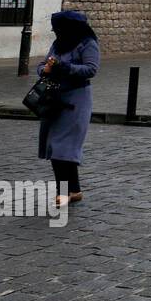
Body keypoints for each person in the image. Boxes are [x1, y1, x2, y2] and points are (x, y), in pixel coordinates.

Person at [38, 11, 100, 208]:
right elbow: (43, 64)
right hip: (55, 98)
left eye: (59, 29)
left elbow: (91, 69)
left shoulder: (87, 43)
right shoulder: (58, 44)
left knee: (63, 146)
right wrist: (44, 69)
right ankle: (74, 190)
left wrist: (64, 67)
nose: (56, 33)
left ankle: (63, 192)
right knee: (56, 145)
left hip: (76, 98)